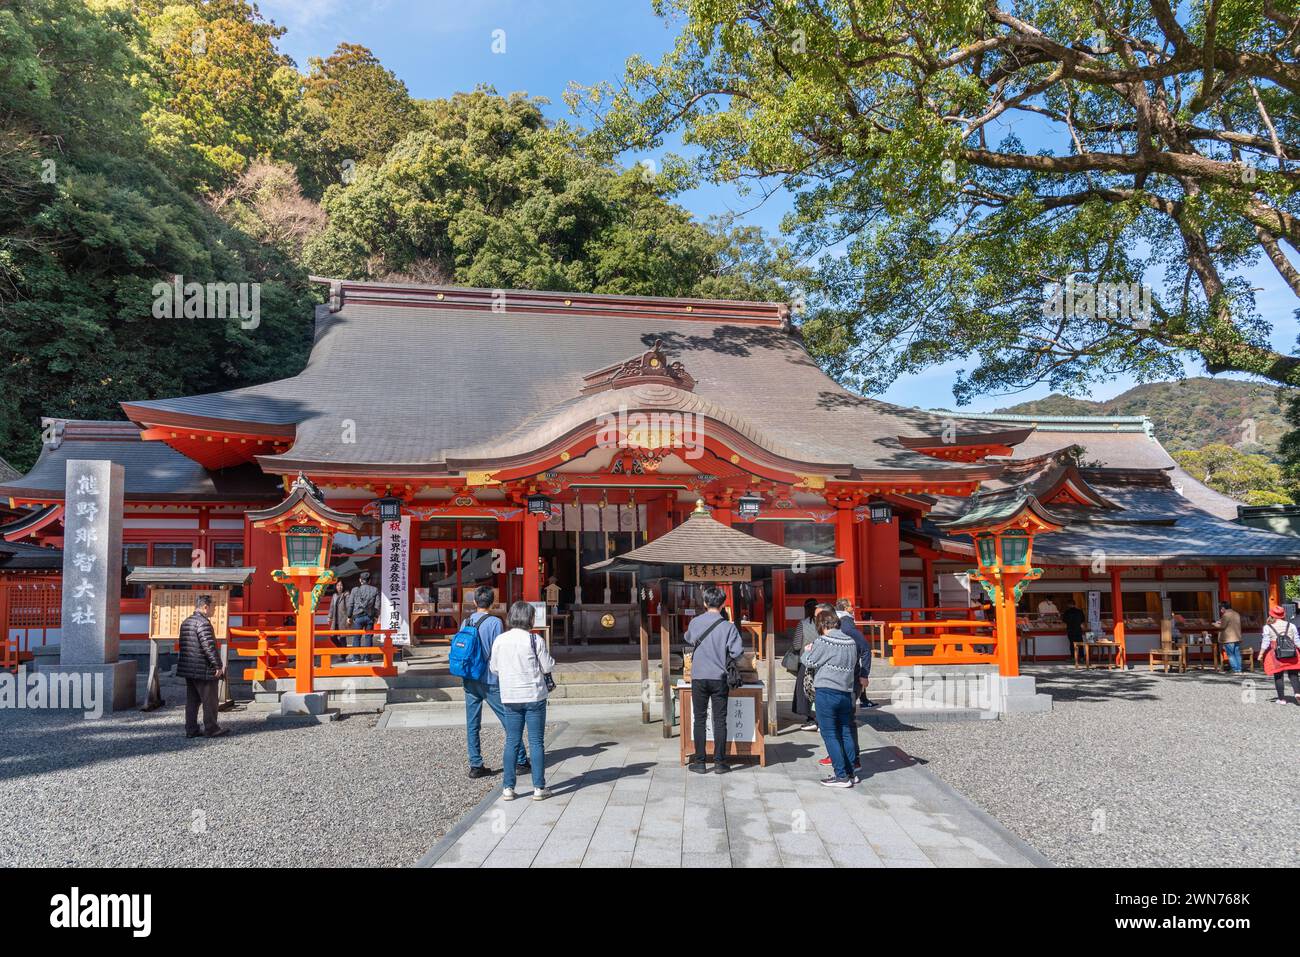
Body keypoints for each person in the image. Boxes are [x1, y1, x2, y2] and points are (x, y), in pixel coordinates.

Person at [489, 600, 555, 800]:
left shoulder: (500, 640)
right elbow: (547, 666)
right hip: (534, 695)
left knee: (512, 741)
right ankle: (538, 788)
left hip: (510, 695)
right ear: (530, 618)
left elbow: (494, 668)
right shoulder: (535, 640)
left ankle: (508, 788)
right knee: (536, 742)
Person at [462, 585, 529, 779]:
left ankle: (476, 764)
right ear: (492, 603)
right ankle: (520, 760)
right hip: (490, 678)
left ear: (474, 602)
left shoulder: (465, 621)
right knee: (508, 719)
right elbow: (499, 649)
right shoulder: (495, 622)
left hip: (469, 677)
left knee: (472, 723)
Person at [683, 585, 744, 774]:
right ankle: (719, 762)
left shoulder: (695, 622)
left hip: (699, 677)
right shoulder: (728, 627)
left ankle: (700, 762)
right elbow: (737, 652)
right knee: (720, 720)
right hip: (719, 677)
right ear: (723, 603)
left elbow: (688, 638)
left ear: (704, 602)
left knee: (699, 719)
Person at [802, 608, 861, 787]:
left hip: (827, 691)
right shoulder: (850, 641)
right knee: (845, 731)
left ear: (821, 625)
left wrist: (807, 650)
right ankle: (851, 773)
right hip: (846, 691)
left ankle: (841, 775)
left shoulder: (824, 641)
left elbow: (809, 661)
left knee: (829, 733)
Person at [177, 594, 228, 739]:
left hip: (188, 667)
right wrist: (217, 665)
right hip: (203, 667)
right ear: (206, 607)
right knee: (209, 700)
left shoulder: (186, 622)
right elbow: (208, 646)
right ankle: (211, 728)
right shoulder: (203, 624)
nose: (215, 610)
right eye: (213, 607)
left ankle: (191, 729)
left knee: (192, 701)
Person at [1261, 604, 1300, 704]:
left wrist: (1261, 653)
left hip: (1276, 653)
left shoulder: (1267, 627)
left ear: (1271, 615)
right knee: (1294, 675)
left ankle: (1281, 699)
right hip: (1292, 652)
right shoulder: (1291, 625)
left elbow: (1265, 642)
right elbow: (1297, 641)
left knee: (1278, 676)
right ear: (1283, 615)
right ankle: (1297, 693)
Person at [791, 598, 819, 731]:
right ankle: (820, 718)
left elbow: (796, 645)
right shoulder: (823, 624)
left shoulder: (803, 624)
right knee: (819, 691)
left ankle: (811, 718)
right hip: (822, 663)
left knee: (807, 691)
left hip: (806, 662)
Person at [345, 571, 379, 663]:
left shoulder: (355, 590)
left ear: (360, 580)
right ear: (370, 580)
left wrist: (349, 616)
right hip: (369, 617)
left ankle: (356, 657)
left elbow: (350, 604)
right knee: (368, 637)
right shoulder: (374, 590)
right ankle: (367, 657)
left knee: (357, 637)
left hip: (358, 617)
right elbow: (377, 605)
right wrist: (376, 616)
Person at [1214, 600, 1243, 673]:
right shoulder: (1236, 614)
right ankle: (1239, 669)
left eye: (1221, 608)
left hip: (1228, 638)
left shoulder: (1226, 615)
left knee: (1231, 655)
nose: (1220, 610)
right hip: (1237, 637)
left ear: (1223, 608)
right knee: (1237, 654)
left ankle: (1235, 669)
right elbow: (1232, 624)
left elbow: (1222, 626)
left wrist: (1214, 624)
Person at [327, 580, 349, 649]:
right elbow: (331, 607)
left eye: (341, 585)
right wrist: (329, 617)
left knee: (342, 637)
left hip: (343, 619)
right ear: (335, 586)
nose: (340, 587)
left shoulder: (346, 594)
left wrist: (349, 617)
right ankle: (343, 651)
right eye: (338, 585)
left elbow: (349, 606)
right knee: (332, 637)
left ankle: (343, 655)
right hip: (335, 620)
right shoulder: (334, 595)